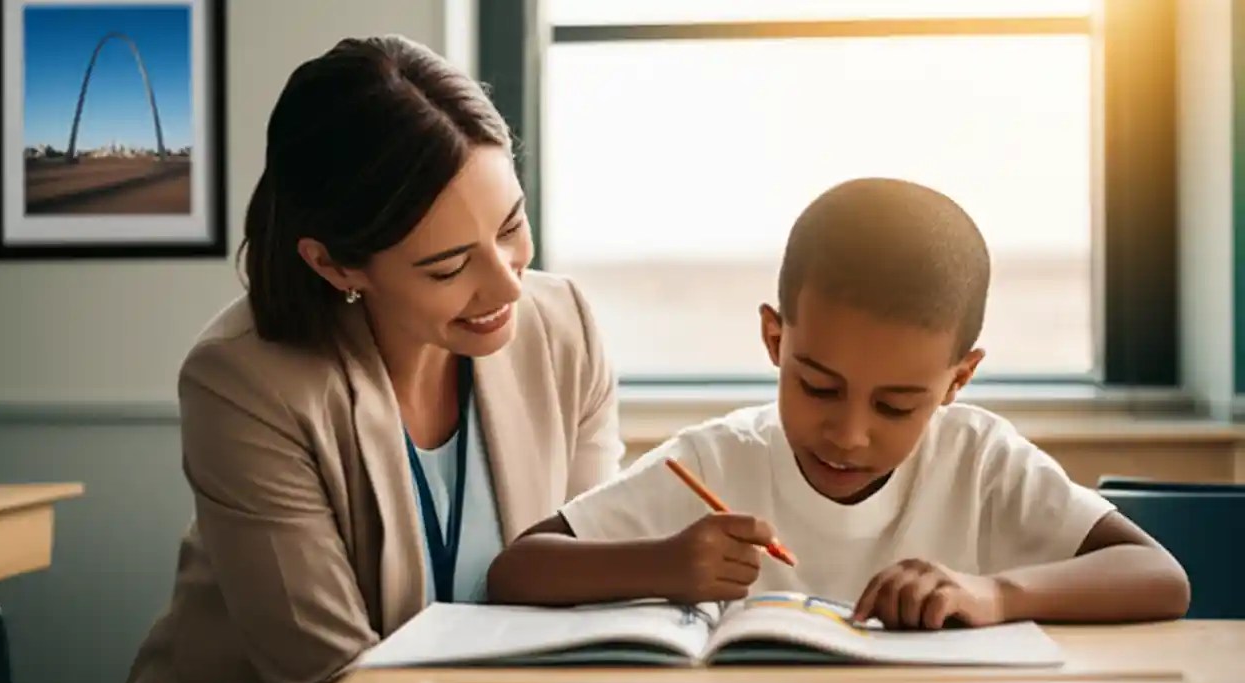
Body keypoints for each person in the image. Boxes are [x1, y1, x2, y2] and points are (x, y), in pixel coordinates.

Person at [116, 35, 622, 683]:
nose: (506, 284)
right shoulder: (241, 384)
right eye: (447, 267)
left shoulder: (565, 328)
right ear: (336, 266)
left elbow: (588, 597)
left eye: (511, 226)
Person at [488, 178, 1190, 631]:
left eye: (897, 406)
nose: (849, 434)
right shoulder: (720, 459)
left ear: (958, 380)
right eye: (818, 387)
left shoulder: (979, 459)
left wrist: (996, 594)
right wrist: (663, 565)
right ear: (774, 338)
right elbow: (517, 570)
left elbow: (1159, 577)